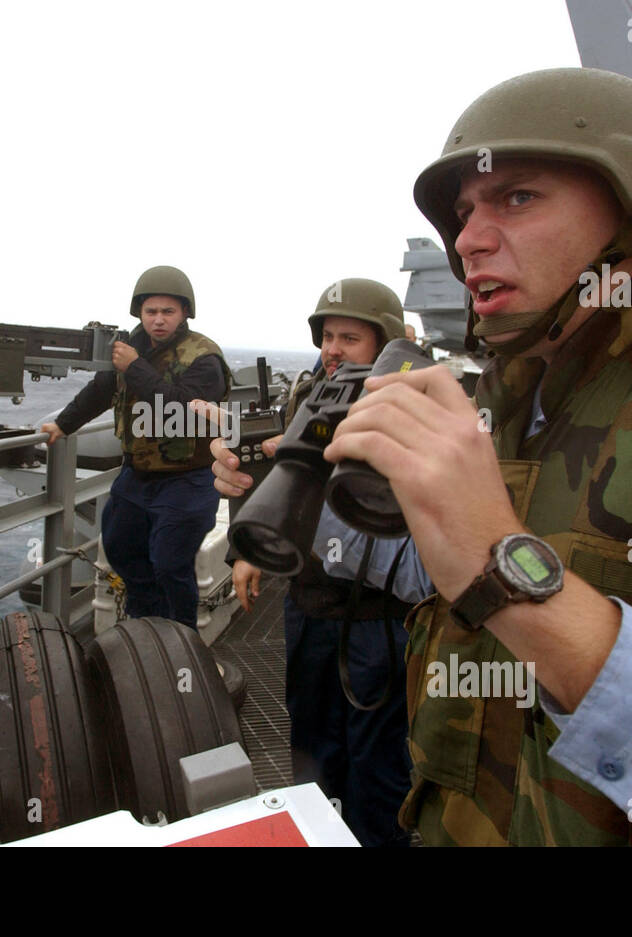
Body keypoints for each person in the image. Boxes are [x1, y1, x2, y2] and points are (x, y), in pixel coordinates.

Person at [222, 69, 632, 845]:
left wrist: (503, 566)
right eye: (464, 214)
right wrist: (289, 505)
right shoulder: (513, 404)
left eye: (517, 198)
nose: (469, 239)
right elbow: (427, 572)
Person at [217, 278, 416, 846]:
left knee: (377, 768)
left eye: (349, 338)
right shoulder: (310, 396)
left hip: (379, 618)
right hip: (309, 607)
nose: (333, 349)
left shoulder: (410, 408)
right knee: (311, 755)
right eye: (327, 336)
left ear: (386, 346)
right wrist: (243, 549)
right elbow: (278, 479)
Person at [41, 266, 229, 630]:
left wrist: (135, 367)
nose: (158, 320)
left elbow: (181, 408)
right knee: (121, 548)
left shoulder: (204, 357)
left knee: (170, 562)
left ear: (185, 313)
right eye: (151, 312)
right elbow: (100, 389)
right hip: (137, 475)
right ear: (140, 313)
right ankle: (147, 628)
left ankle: (182, 641)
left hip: (187, 478)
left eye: (168, 312)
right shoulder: (132, 347)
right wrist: (64, 425)